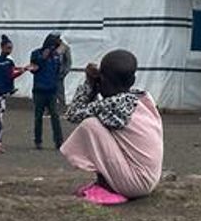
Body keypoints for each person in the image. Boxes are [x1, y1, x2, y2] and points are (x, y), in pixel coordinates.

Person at [61, 48, 165, 205]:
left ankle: (107, 187)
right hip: (148, 179)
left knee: (91, 125)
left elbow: (73, 113)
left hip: (135, 184)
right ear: (132, 81)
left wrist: (89, 83)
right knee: (101, 127)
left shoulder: (114, 105)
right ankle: (111, 183)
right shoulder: (140, 98)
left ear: (101, 80)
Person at [27, 33, 65, 150]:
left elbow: (58, 70)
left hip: (51, 91)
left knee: (55, 116)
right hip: (39, 90)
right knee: (38, 116)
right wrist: (42, 58)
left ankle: (59, 141)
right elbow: (33, 69)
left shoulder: (56, 57)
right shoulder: (36, 53)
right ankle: (38, 141)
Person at [55, 36, 72, 109]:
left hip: (59, 73)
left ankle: (63, 108)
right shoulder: (50, 47)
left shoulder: (65, 48)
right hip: (50, 73)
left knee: (60, 91)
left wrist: (64, 72)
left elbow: (68, 62)